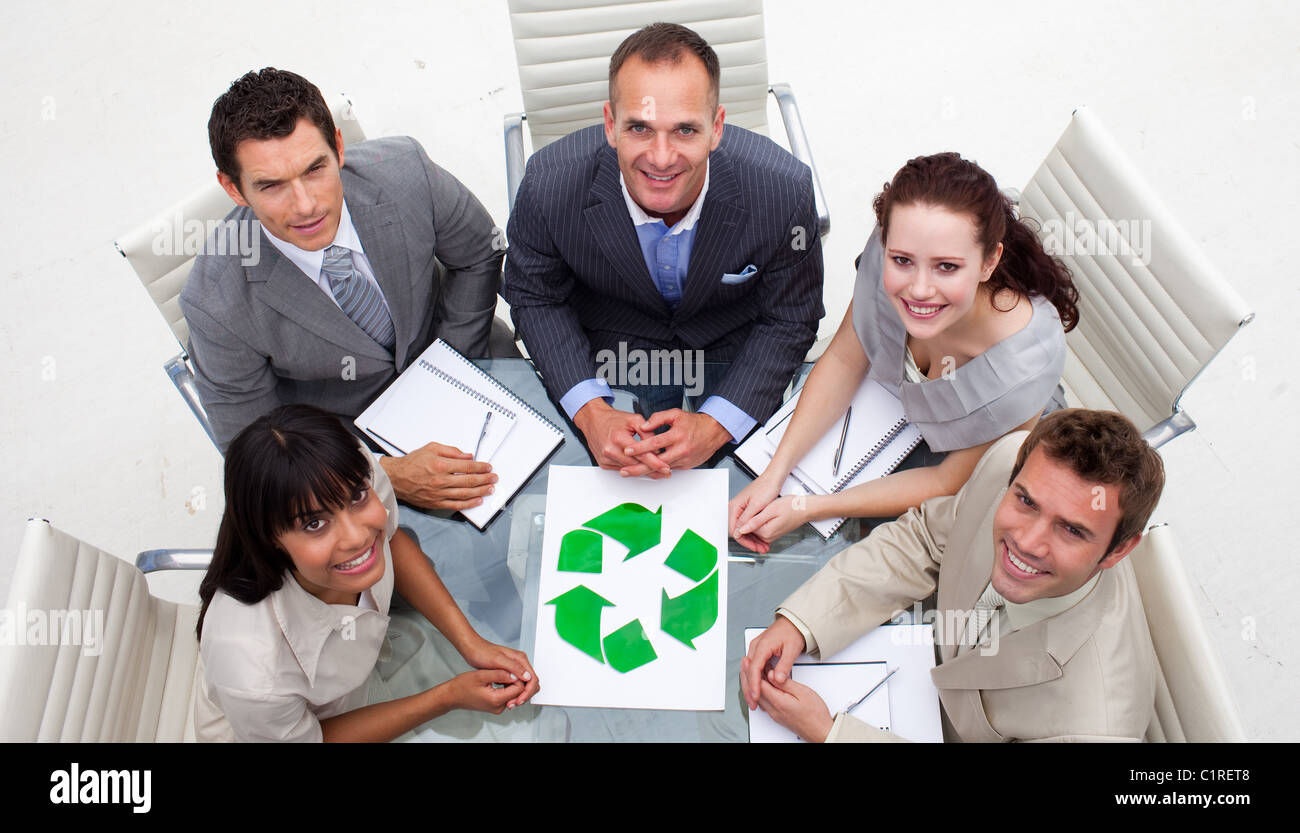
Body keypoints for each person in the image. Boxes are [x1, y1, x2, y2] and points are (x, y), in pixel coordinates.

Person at [502, 23, 824, 479]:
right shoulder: (548, 184)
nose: (660, 157)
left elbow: (790, 317)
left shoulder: (782, 190)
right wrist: (591, 412)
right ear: (611, 125)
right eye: (639, 128)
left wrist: (717, 424)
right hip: (610, 345)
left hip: (732, 348)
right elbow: (536, 297)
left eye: (685, 130)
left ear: (717, 128)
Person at [181, 67, 503, 513]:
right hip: (351, 449)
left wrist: (446, 372)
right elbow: (255, 453)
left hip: (466, 355)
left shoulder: (406, 170)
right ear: (233, 188)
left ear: (337, 146)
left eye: (315, 169)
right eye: (271, 186)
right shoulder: (215, 301)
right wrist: (381, 474)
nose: (306, 205)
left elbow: (479, 255)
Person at [742, 409, 1164, 742]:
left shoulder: (1096, 728)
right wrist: (804, 621)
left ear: (1120, 550)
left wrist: (832, 735)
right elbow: (924, 539)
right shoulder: (1007, 460)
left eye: (1072, 529)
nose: (1029, 542)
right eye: (1026, 502)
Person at [729, 151, 1079, 552]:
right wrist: (774, 475)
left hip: (965, 459)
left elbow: (946, 482)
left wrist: (810, 507)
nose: (919, 289)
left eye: (947, 267)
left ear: (988, 262)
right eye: (902, 261)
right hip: (891, 415)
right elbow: (845, 357)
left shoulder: (1023, 367)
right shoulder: (890, 248)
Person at [193, 404, 539, 742]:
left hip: (372, 660)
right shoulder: (253, 673)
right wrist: (445, 697)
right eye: (314, 523)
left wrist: (471, 643)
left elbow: (389, 537)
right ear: (270, 539)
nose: (358, 536)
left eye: (358, 497)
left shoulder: (348, 469)